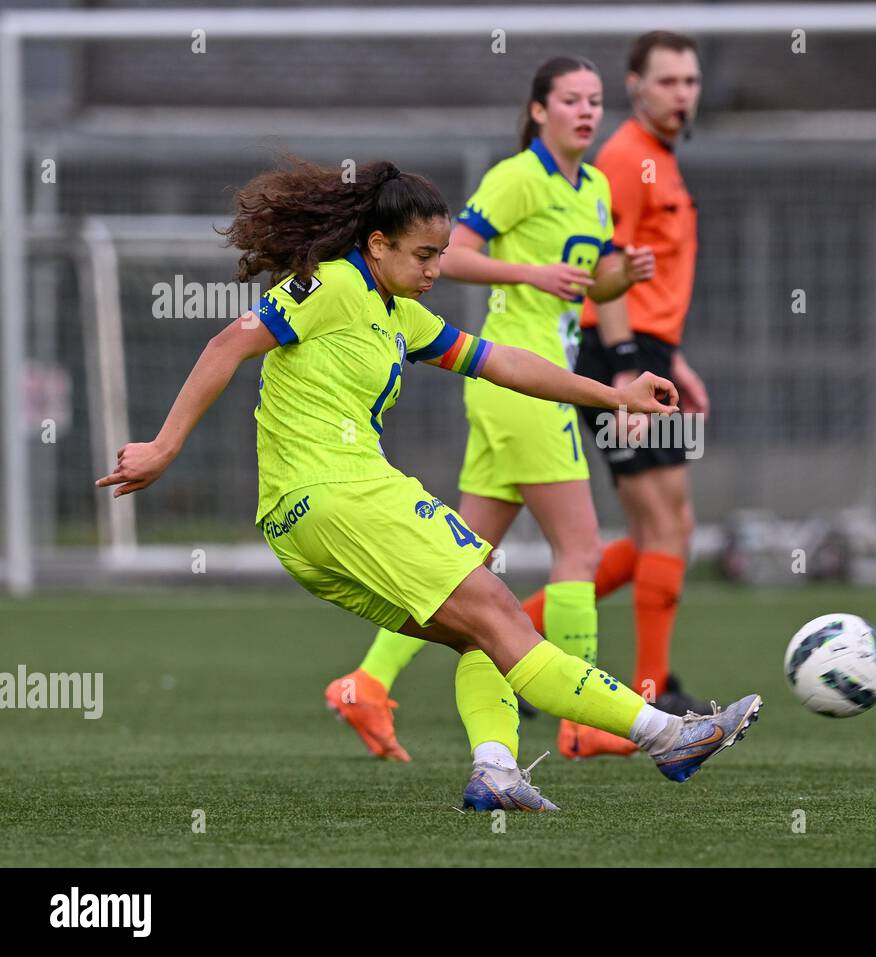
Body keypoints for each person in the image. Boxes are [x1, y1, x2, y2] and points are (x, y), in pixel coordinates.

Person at [95, 157, 762, 812]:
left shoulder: (402, 315)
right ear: (377, 244)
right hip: (342, 493)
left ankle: (496, 770)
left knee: (478, 633)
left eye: (441, 254)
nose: (436, 269)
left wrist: (613, 395)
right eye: (423, 254)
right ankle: (669, 734)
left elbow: (503, 363)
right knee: (502, 611)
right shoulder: (328, 285)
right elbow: (229, 342)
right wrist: (164, 444)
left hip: (299, 524)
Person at [324, 55, 660, 764]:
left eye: (595, 101)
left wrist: (615, 278)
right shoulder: (516, 177)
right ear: (539, 110)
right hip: (518, 375)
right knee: (580, 549)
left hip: (530, 379)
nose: (586, 111)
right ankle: (582, 720)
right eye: (570, 99)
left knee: (462, 560)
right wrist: (528, 271)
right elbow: (458, 256)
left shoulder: (595, 186)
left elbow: (584, 290)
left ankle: (367, 680)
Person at [521, 30, 711, 722]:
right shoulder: (630, 158)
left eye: (690, 82)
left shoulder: (659, 157)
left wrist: (672, 357)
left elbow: (646, 273)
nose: (681, 95)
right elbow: (610, 270)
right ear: (636, 86)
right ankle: (646, 686)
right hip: (617, 355)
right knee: (660, 525)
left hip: (647, 351)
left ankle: (517, 632)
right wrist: (633, 362)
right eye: (668, 82)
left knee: (673, 525)